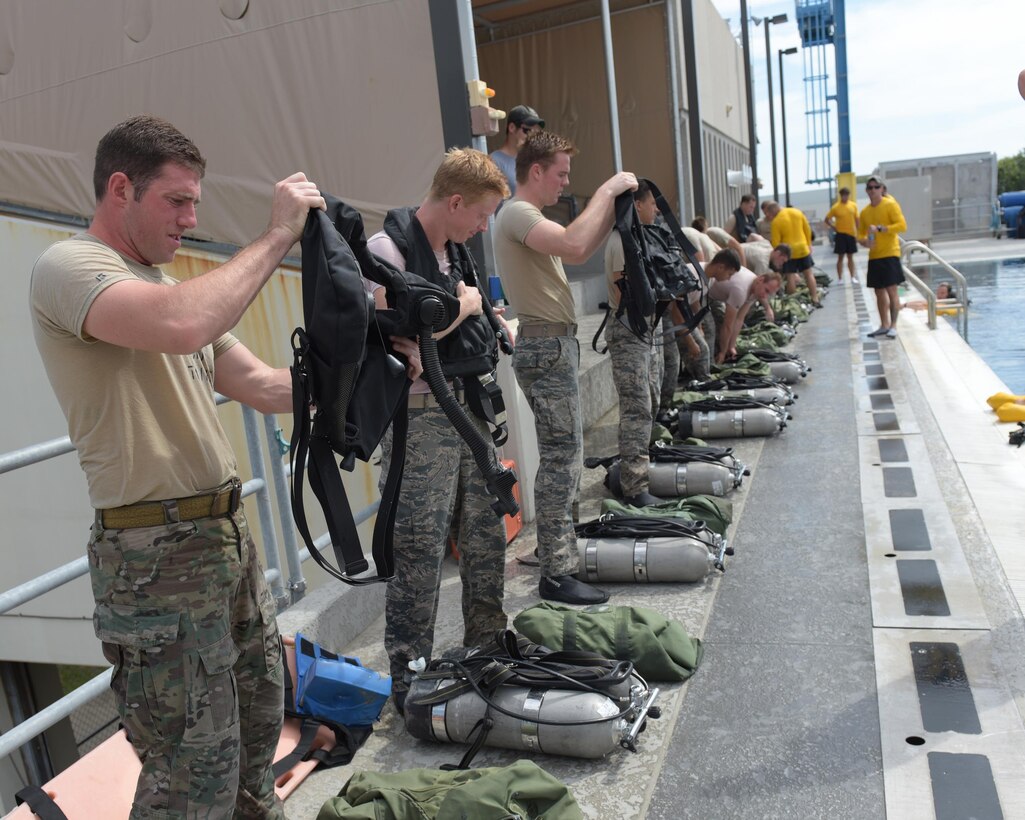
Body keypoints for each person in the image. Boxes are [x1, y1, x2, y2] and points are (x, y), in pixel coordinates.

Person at [30, 116, 399, 818]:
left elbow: (264, 386)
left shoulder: (164, 285)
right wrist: (278, 234)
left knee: (256, 740)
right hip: (154, 561)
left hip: (221, 542)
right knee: (189, 773)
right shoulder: (71, 269)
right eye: (177, 201)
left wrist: (381, 363)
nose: (191, 218)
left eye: (194, 202)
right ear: (119, 189)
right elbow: (181, 325)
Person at [366, 148, 512, 712]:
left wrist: (478, 313)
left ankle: (486, 646)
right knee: (418, 549)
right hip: (421, 420)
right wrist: (465, 306)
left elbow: (429, 334)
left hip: (468, 403)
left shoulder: (455, 253)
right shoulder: (387, 253)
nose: (482, 227)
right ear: (454, 202)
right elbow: (389, 336)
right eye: (479, 215)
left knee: (484, 532)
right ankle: (411, 678)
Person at [493, 130, 637, 605]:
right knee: (561, 462)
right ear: (535, 171)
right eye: (560, 173)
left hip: (553, 346)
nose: (565, 182)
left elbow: (582, 244)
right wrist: (607, 191)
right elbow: (576, 247)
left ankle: (558, 556)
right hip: (546, 348)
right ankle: (556, 572)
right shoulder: (517, 212)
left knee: (563, 459)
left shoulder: (529, 218)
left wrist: (614, 210)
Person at [603, 180, 664, 506]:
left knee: (648, 402)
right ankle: (633, 486)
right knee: (636, 410)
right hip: (628, 332)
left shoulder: (638, 240)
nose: (655, 209)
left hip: (641, 332)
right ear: (636, 205)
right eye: (651, 203)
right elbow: (620, 288)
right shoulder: (620, 242)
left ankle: (635, 472)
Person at [704, 250, 784, 362]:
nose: (764, 296)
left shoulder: (755, 289)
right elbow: (728, 324)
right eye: (766, 290)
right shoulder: (741, 290)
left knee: (722, 332)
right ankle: (708, 363)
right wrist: (723, 352)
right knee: (710, 330)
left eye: (768, 293)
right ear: (760, 279)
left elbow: (739, 319)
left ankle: (717, 354)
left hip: (715, 297)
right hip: (704, 292)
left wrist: (731, 346)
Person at [857, 174, 908, 338]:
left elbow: (902, 225)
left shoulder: (890, 205)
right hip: (874, 255)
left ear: (882, 189)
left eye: (876, 187)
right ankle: (884, 324)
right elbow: (859, 234)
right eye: (870, 188)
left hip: (890, 253)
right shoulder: (864, 212)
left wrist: (880, 228)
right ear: (866, 191)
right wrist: (864, 242)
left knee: (892, 290)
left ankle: (894, 325)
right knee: (878, 291)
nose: (873, 190)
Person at [767, 200, 820, 306]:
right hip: (803, 248)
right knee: (809, 274)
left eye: (769, 215)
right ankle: (815, 298)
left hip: (788, 252)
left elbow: (776, 243)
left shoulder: (776, 222)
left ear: (773, 212)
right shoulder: (797, 212)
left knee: (790, 276)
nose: (769, 217)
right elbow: (807, 229)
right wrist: (809, 244)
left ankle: (793, 302)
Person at [489, 104, 545, 197]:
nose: (532, 137)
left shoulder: (531, 161)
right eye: (528, 131)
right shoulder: (494, 162)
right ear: (512, 128)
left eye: (536, 134)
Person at [825, 187, 860, 283]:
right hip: (840, 234)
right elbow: (827, 219)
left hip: (851, 234)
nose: (845, 197)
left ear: (849, 195)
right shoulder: (836, 207)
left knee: (850, 257)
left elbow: (857, 219)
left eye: (847, 195)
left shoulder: (853, 206)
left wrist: (858, 232)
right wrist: (834, 227)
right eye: (843, 195)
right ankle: (840, 278)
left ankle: (852, 277)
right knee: (840, 257)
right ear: (840, 196)